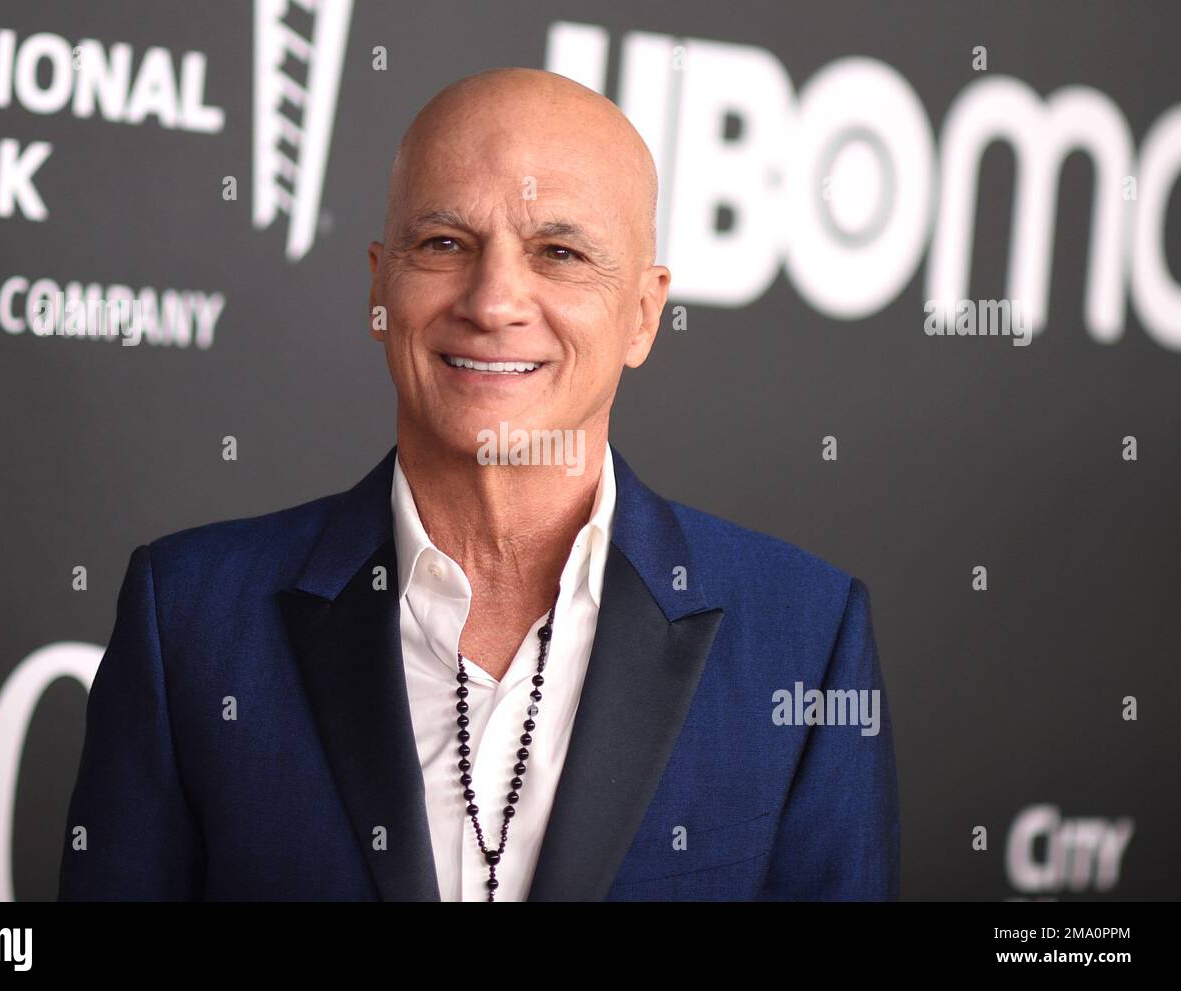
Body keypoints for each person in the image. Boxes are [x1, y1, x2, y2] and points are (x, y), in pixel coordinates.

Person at [58, 67, 898, 901]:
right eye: (445, 244)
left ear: (644, 314)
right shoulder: (192, 617)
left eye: (560, 253)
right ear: (380, 287)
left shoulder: (806, 640)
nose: (494, 300)